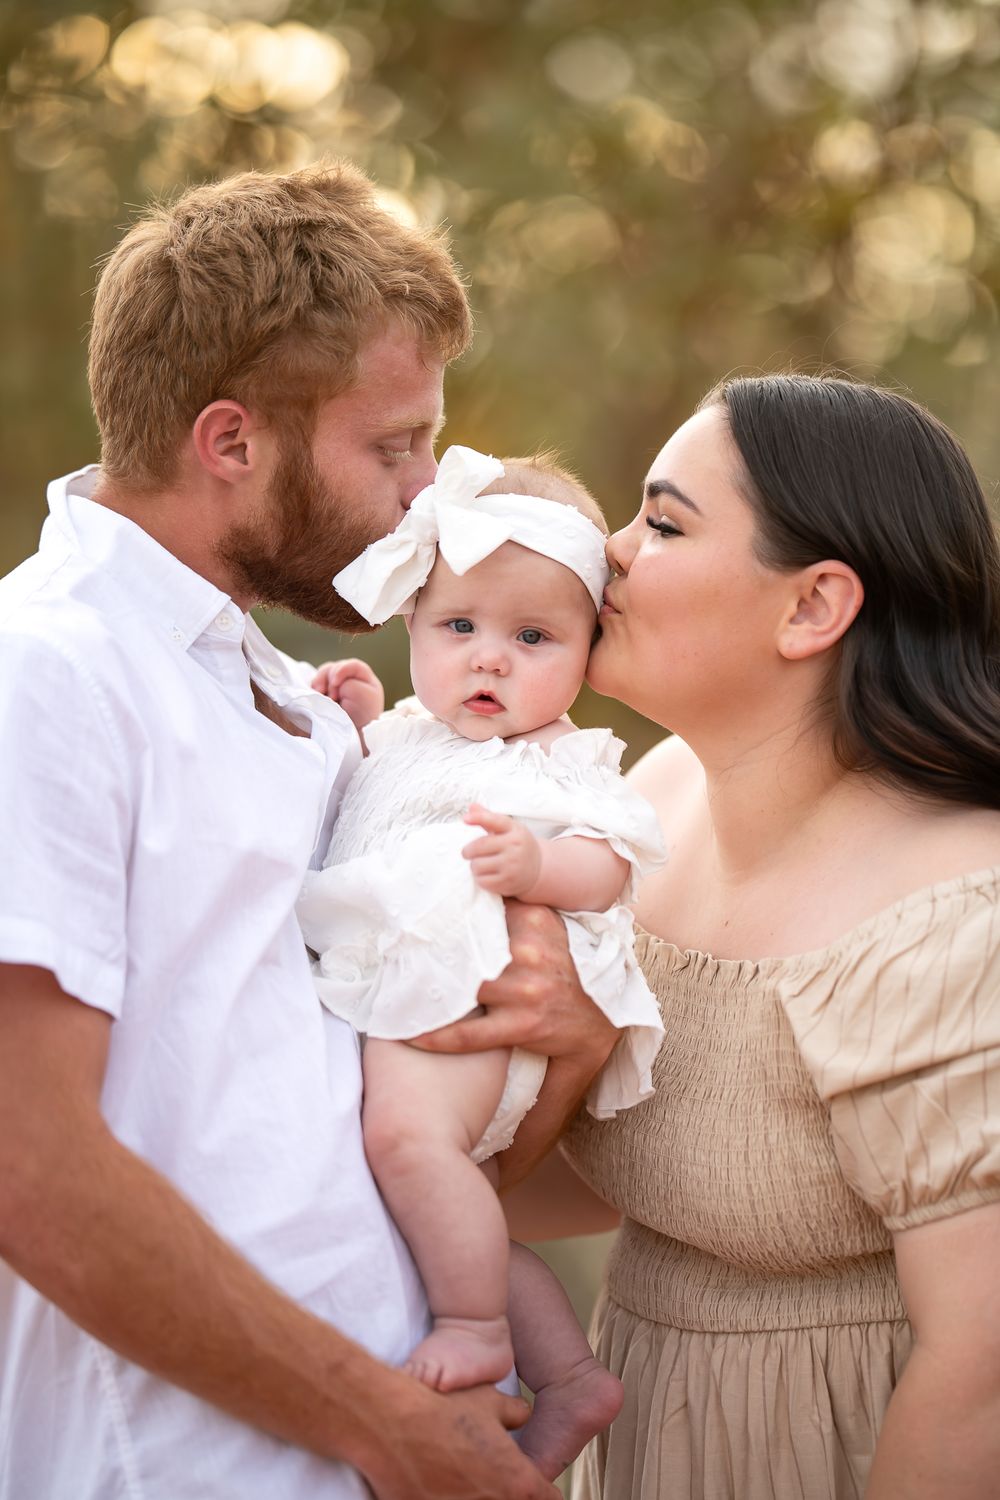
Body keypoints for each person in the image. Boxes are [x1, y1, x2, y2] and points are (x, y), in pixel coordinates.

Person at [0, 162, 611, 1500]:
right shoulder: (43, 673)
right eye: (391, 447)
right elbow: (26, 1167)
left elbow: (377, 1131)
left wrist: (564, 1056)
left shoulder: (304, 702)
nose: (422, 497)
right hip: (177, 1469)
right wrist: (381, 1427)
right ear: (232, 442)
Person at [438, 373, 1000, 1499]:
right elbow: (629, 1177)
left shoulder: (955, 929)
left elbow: (980, 1378)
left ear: (811, 609)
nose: (606, 551)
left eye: (662, 522)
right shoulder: (648, 806)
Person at [298, 443, 665, 1476]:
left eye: (532, 636)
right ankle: (565, 1378)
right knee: (438, 1190)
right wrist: (363, 723)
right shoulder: (413, 736)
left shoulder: (561, 758)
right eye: (459, 627)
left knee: (408, 1149)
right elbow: (371, 804)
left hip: (476, 1001)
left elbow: (612, 863)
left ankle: (474, 1333)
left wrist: (539, 860)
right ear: (411, 624)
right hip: (423, 998)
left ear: (588, 648)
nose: (490, 658)